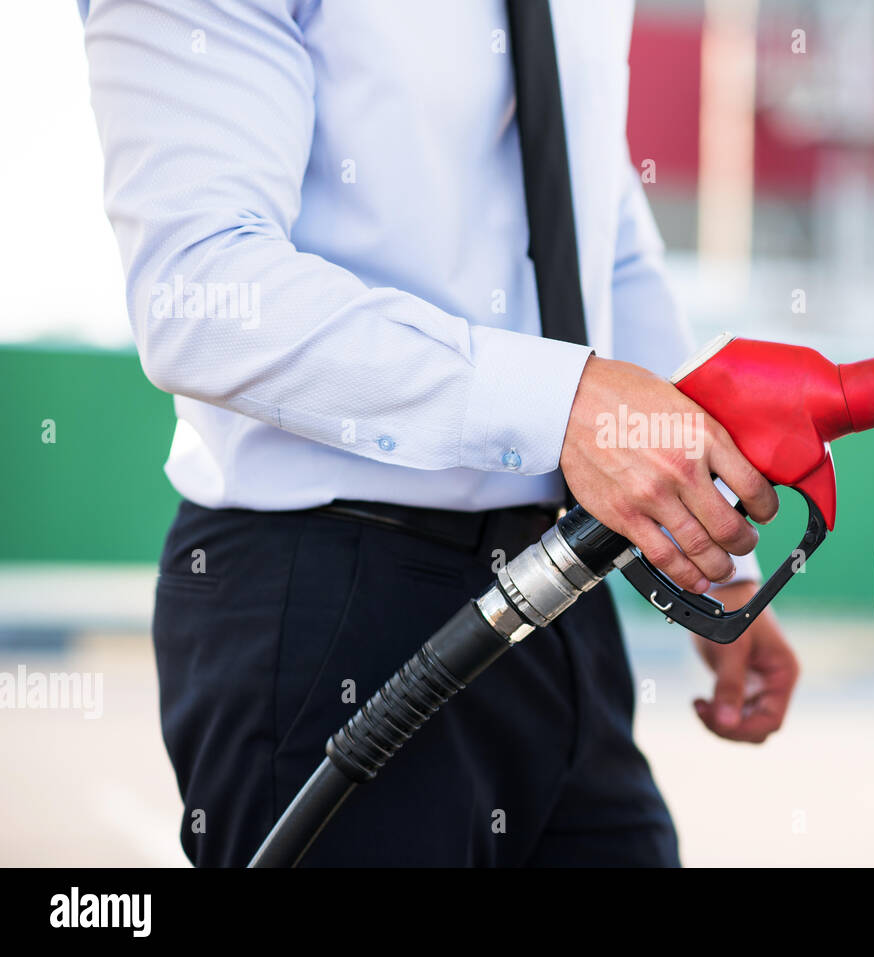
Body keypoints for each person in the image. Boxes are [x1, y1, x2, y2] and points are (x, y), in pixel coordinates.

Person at [79, 0, 798, 866]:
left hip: (561, 593)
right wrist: (559, 404)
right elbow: (200, 290)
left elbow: (602, 239)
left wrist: (711, 553)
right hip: (330, 607)